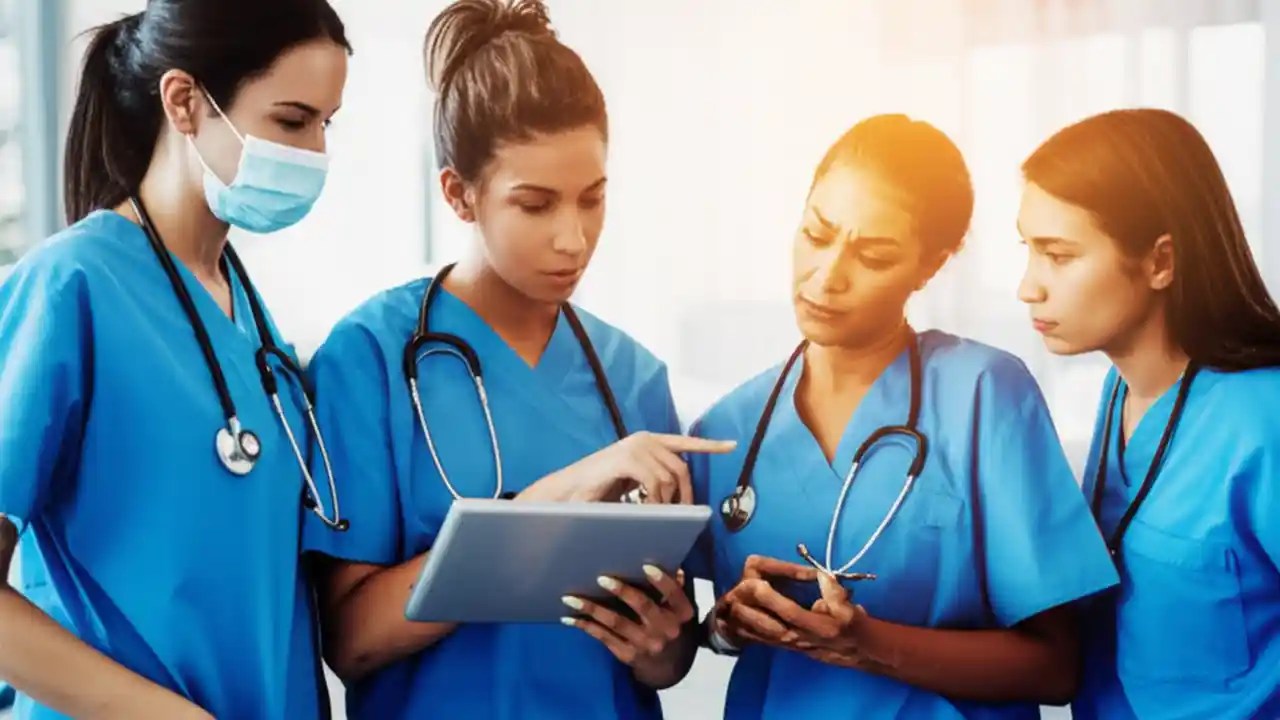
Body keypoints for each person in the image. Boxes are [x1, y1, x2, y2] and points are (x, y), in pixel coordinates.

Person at [303, 1, 733, 718]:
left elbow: (668, 658)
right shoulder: (370, 358)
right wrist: (552, 502)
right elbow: (352, 641)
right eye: (535, 205)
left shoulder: (631, 378)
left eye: (592, 199)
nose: (573, 238)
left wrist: (663, 646)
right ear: (459, 194)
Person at [686, 114, 1119, 719]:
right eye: (816, 233)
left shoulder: (984, 396)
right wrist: (729, 626)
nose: (828, 275)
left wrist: (866, 644)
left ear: (930, 266)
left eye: (874, 255)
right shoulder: (724, 433)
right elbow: (697, 638)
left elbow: (1055, 666)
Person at [0, 2, 350, 718]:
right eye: (291, 120)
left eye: (326, 123)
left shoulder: (254, 323)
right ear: (185, 102)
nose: (314, 151)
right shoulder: (74, 287)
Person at [1017, 108, 1280, 719]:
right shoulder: (1119, 391)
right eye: (1027, 249)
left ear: (1161, 261)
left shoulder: (1263, 419)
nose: (1029, 286)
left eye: (1058, 255)